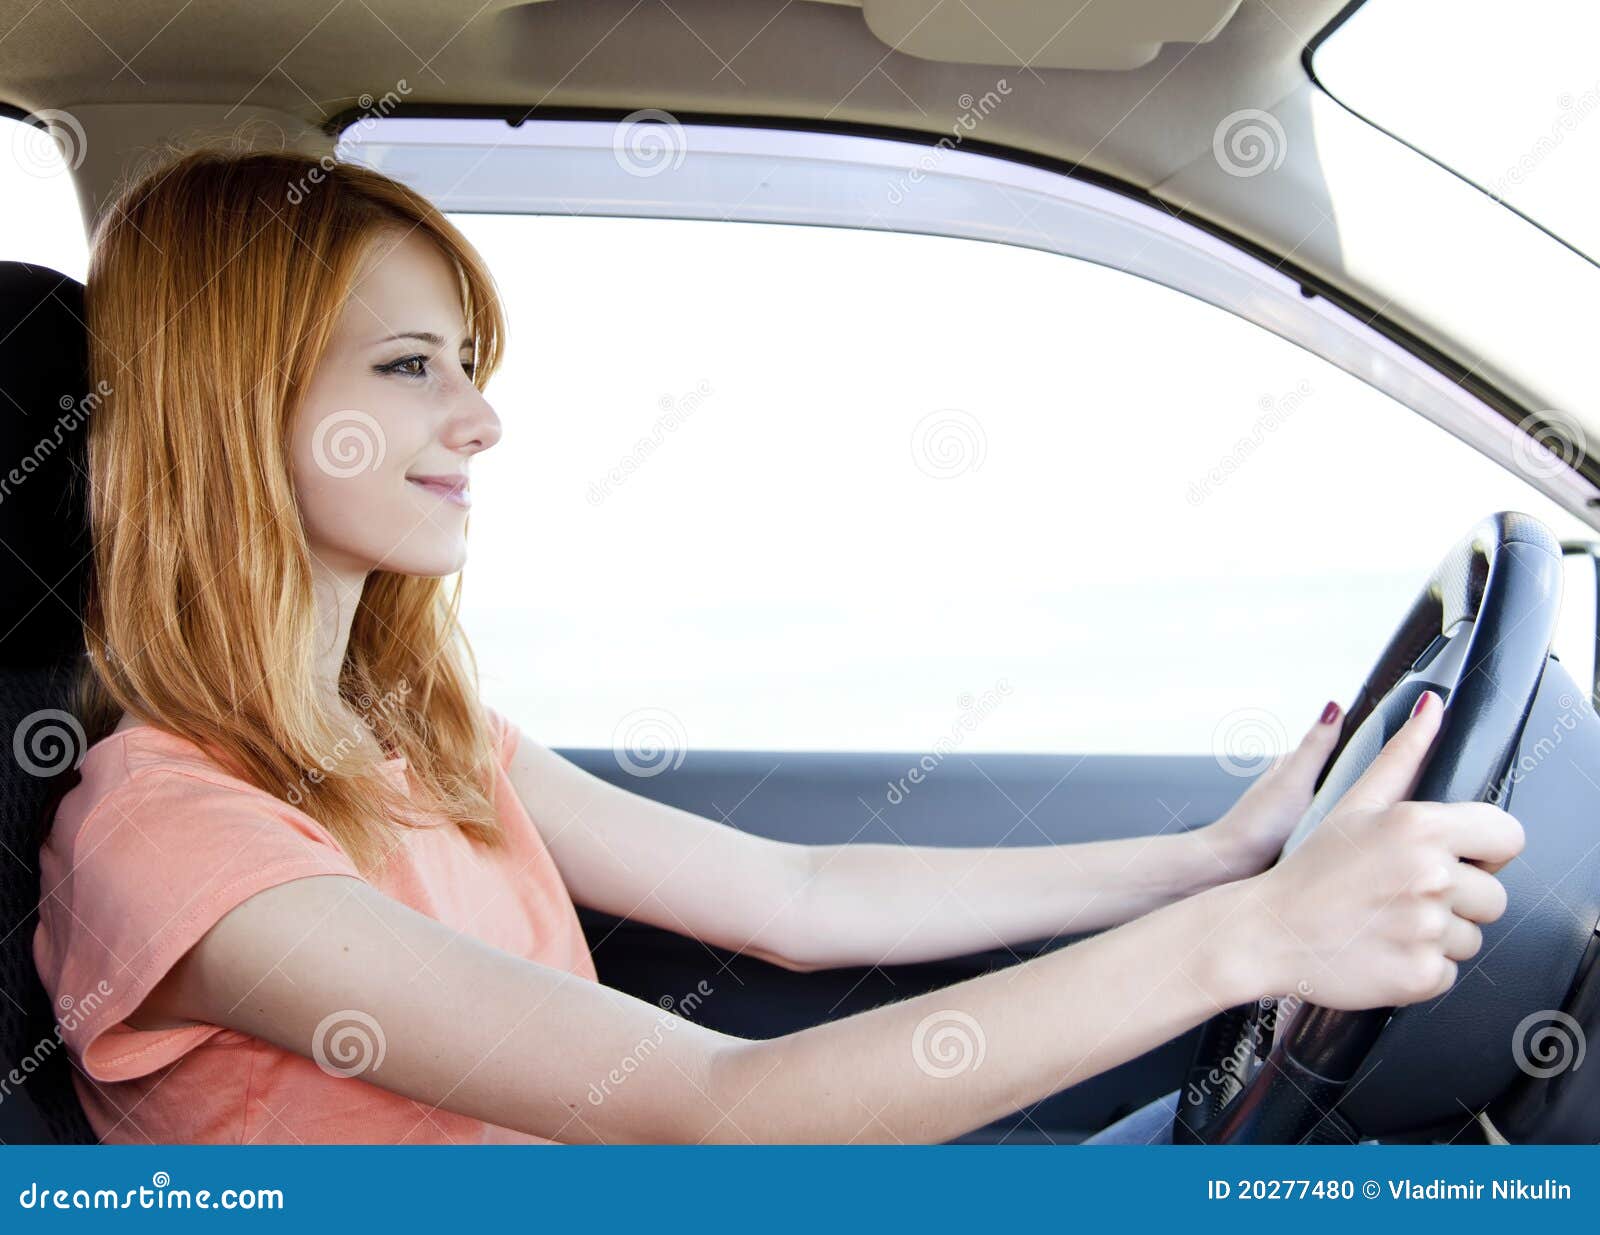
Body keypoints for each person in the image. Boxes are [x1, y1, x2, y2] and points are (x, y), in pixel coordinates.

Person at [32, 145, 1522, 1145]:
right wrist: (1255, 940)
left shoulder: (413, 732)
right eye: (414, 369)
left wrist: (1203, 861)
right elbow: (716, 1109)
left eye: (471, 368)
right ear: (234, 407)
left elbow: (799, 895)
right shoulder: (178, 844)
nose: (481, 420)